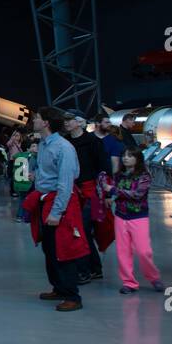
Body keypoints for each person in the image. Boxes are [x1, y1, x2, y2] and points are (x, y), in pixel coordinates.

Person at [29, 106, 83, 311]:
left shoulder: (63, 147)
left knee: (64, 249)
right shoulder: (43, 144)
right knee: (49, 248)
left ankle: (73, 296)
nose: (33, 120)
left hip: (58, 203)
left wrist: (57, 211)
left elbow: (65, 183)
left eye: (37, 118)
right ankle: (59, 287)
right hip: (44, 200)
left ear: (46, 123)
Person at [99, 148, 164, 296]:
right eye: (124, 155)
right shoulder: (119, 176)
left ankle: (153, 277)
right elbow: (114, 192)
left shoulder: (144, 176)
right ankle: (129, 282)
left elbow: (137, 195)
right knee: (123, 252)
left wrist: (113, 190)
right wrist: (110, 195)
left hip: (139, 217)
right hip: (121, 216)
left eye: (130, 156)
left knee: (144, 251)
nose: (125, 158)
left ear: (137, 158)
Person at [64, 113, 107, 284]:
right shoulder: (66, 142)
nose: (67, 123)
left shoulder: (94, 142)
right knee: (82, 230)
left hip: (92, 192)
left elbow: (103, 167)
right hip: (74, 191)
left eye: (70, 120)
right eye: (65, 120)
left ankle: (86, 270)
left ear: (79, 123)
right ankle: (94, 268)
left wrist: (106, 193)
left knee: (83, 229)